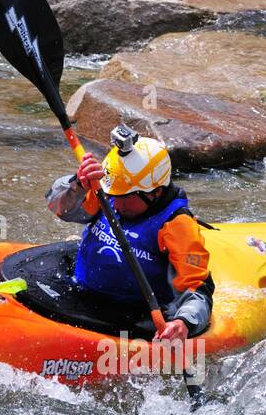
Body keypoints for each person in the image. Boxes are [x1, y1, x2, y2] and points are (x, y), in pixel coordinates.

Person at [46, 126, 212, 343]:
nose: (117, 202)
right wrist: (78, 186)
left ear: (155, 192)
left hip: (133, 315)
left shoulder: (178, 226)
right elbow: (59, 209)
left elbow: (199, 291)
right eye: (113, 193)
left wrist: (183, 322)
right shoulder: (111, 190)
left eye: (126, 196)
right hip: (82, 292)